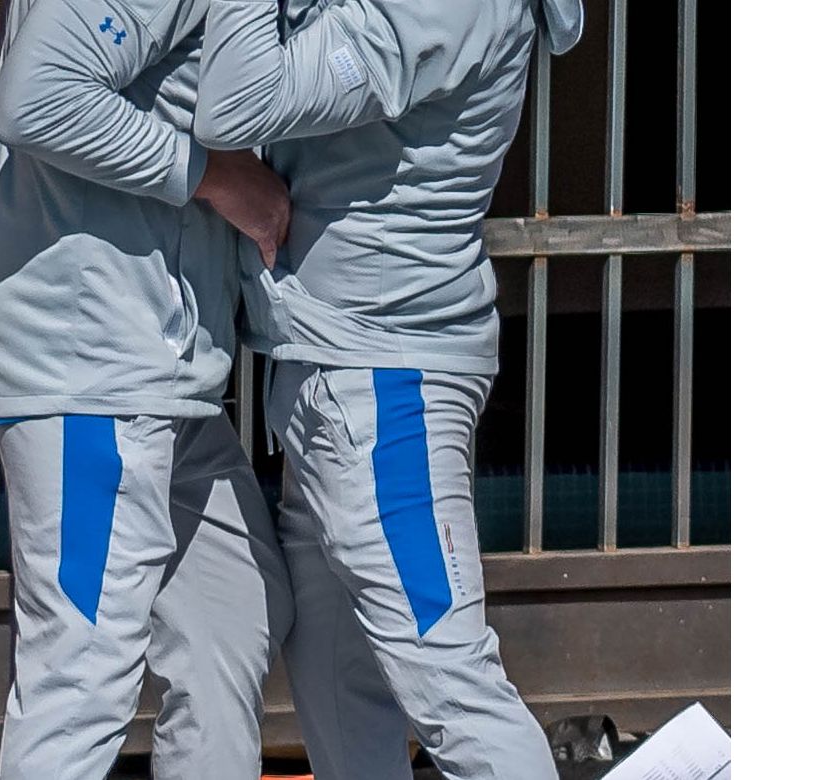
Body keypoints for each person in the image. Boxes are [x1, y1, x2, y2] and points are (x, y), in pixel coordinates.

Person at [193, 0, 584, 777]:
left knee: (452, 684)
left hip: (382, 389)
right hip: (338, 373)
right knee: (341, 690)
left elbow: (239, 99)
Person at [0, 0, 295, 776]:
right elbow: (36, 94)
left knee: (233, 612)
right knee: (78, 680)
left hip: (161, 375)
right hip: (91, 367)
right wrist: (213, 177)